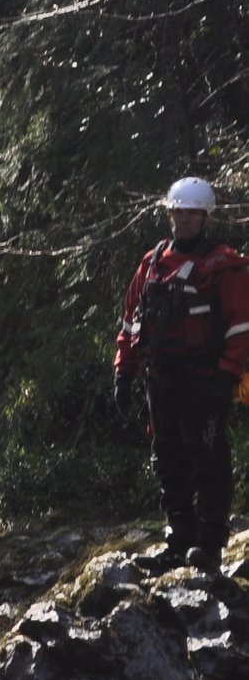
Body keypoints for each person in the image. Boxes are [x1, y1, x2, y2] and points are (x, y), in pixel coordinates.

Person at [114, 176, 249, 572]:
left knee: (208, 459)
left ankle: (209, 546)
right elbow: (131, 322)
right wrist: (124, 371)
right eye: (179, 212)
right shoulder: (153, 262)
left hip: (206, 379)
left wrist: (226, 376)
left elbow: (242, 326)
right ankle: (179, 541)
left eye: (192, 213)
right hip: (162, 378)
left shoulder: (225, 264)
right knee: (167, 458)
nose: (185, 220)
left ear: (205, 217)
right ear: (170, 214)